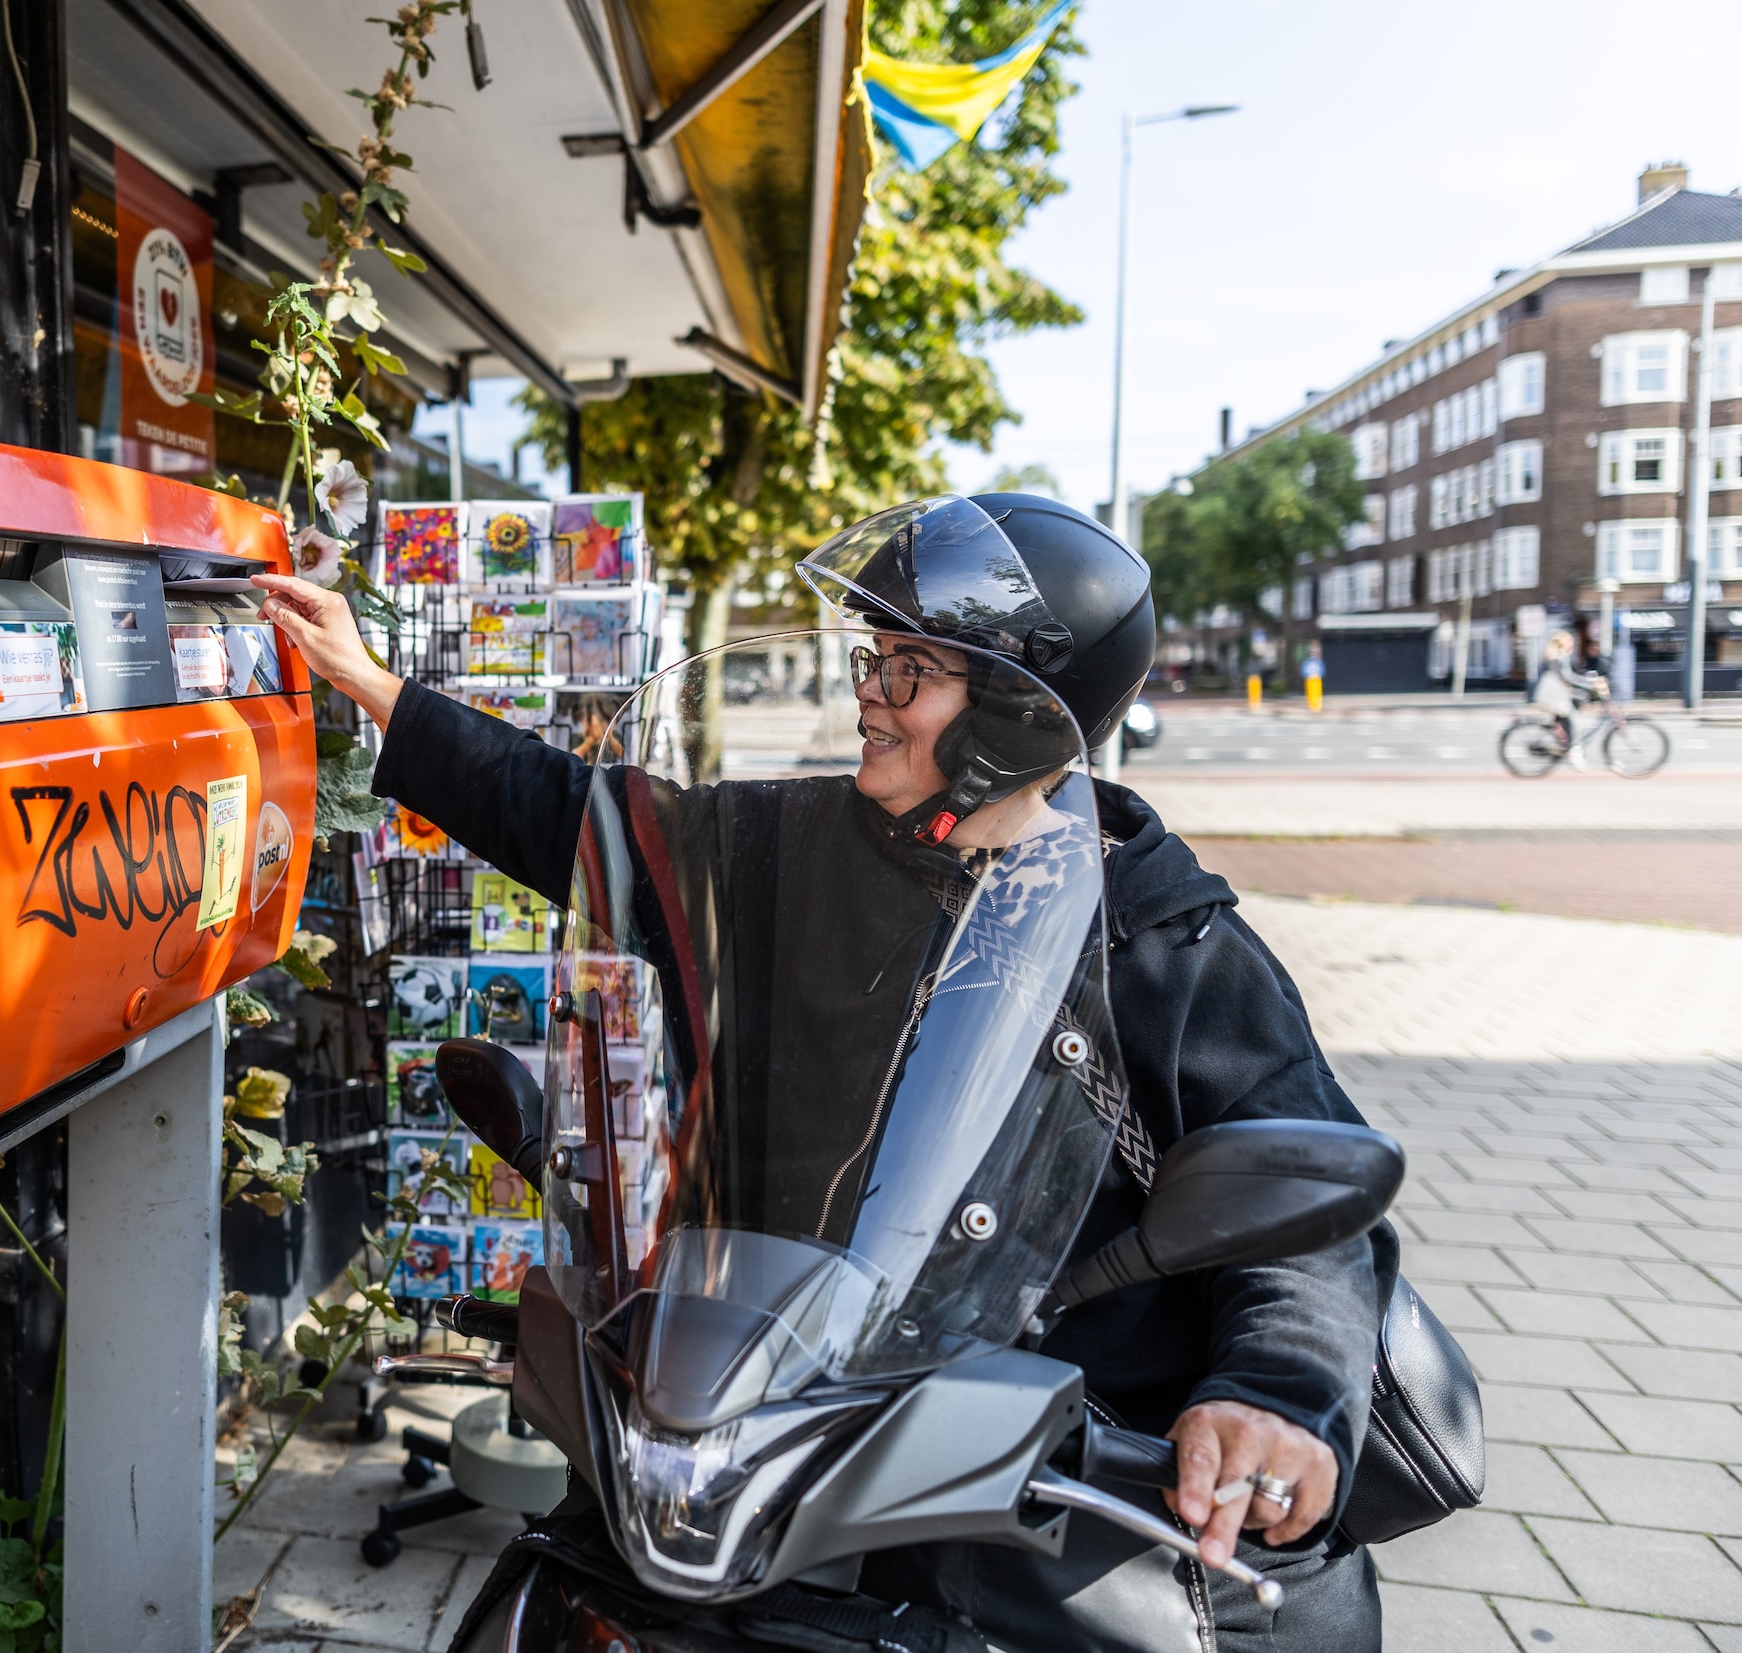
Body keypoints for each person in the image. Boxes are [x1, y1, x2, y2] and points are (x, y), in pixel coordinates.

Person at [258, 494, 1394, 1650]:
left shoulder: (1166, 947)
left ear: (1014, 716)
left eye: (910, 672)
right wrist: (368, 679)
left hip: (1013, 1492)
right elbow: (569, 815)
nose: (868, 693)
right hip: (750, 1430)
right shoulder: (785, 849)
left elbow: (1303, 1214)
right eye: (873, 660)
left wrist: (1270, 1394)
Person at [1530, 629, 1607, 763]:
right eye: (1570, 643)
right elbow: (1568, 677)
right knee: (1574, 720)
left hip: (1554, 695)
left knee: (1566, 720)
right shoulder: (1559, 657)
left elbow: (1568, 678)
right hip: (1554, 697)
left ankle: (1567, 747)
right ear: (1563, 644)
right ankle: (1572, 752)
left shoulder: (1555, 656)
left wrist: (1585, 685)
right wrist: (1590, 683)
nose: (1572, 647)